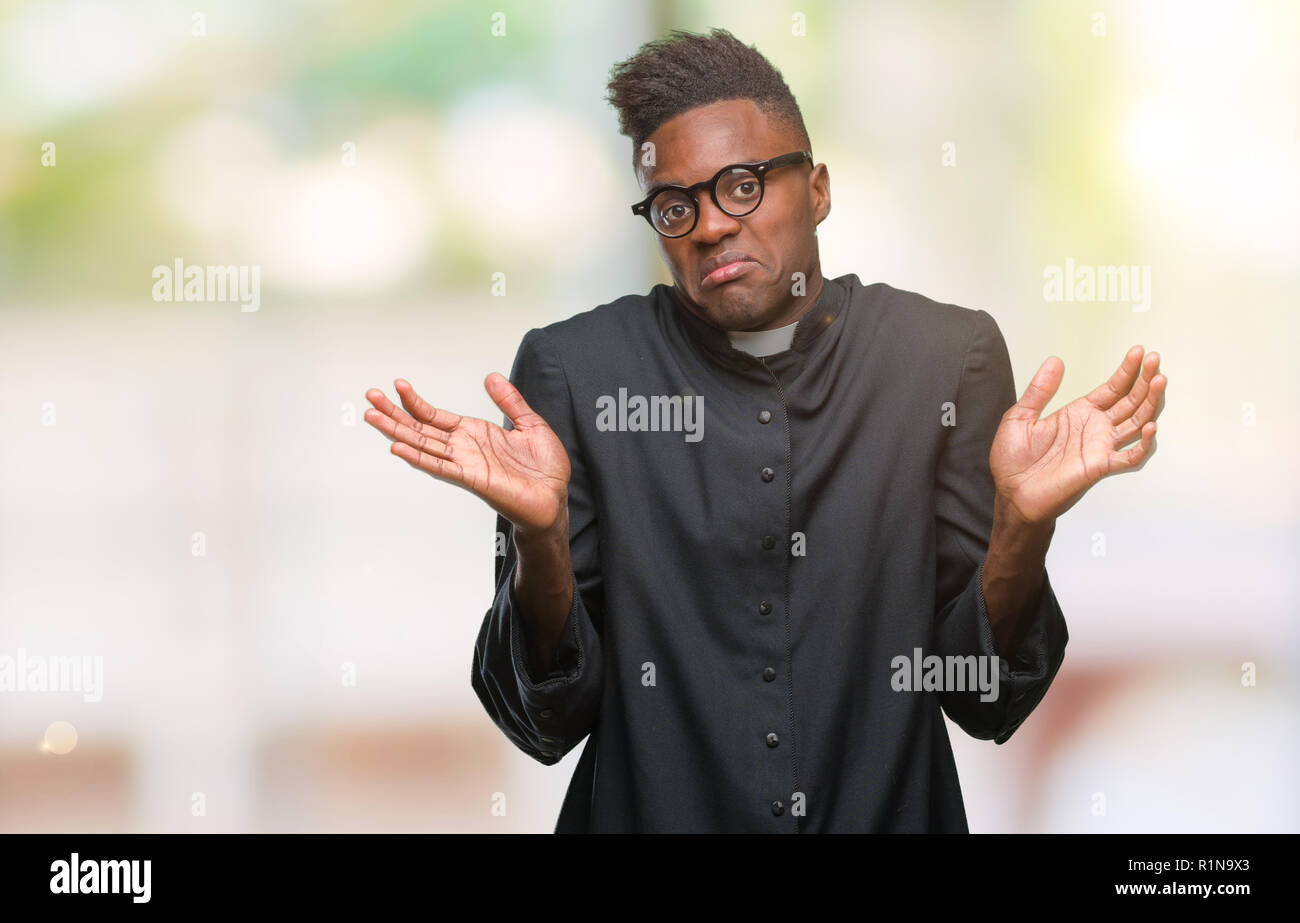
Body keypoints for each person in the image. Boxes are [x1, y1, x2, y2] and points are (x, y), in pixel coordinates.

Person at [363, 28, 1166, 832]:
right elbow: (545, 721)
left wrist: (1022, 528)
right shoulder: (575, 371)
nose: (711, 226)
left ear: (816, 189)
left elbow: (983, 699)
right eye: (676, 205)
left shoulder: (945, 360)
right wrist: (540, 543)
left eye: (743, 185)